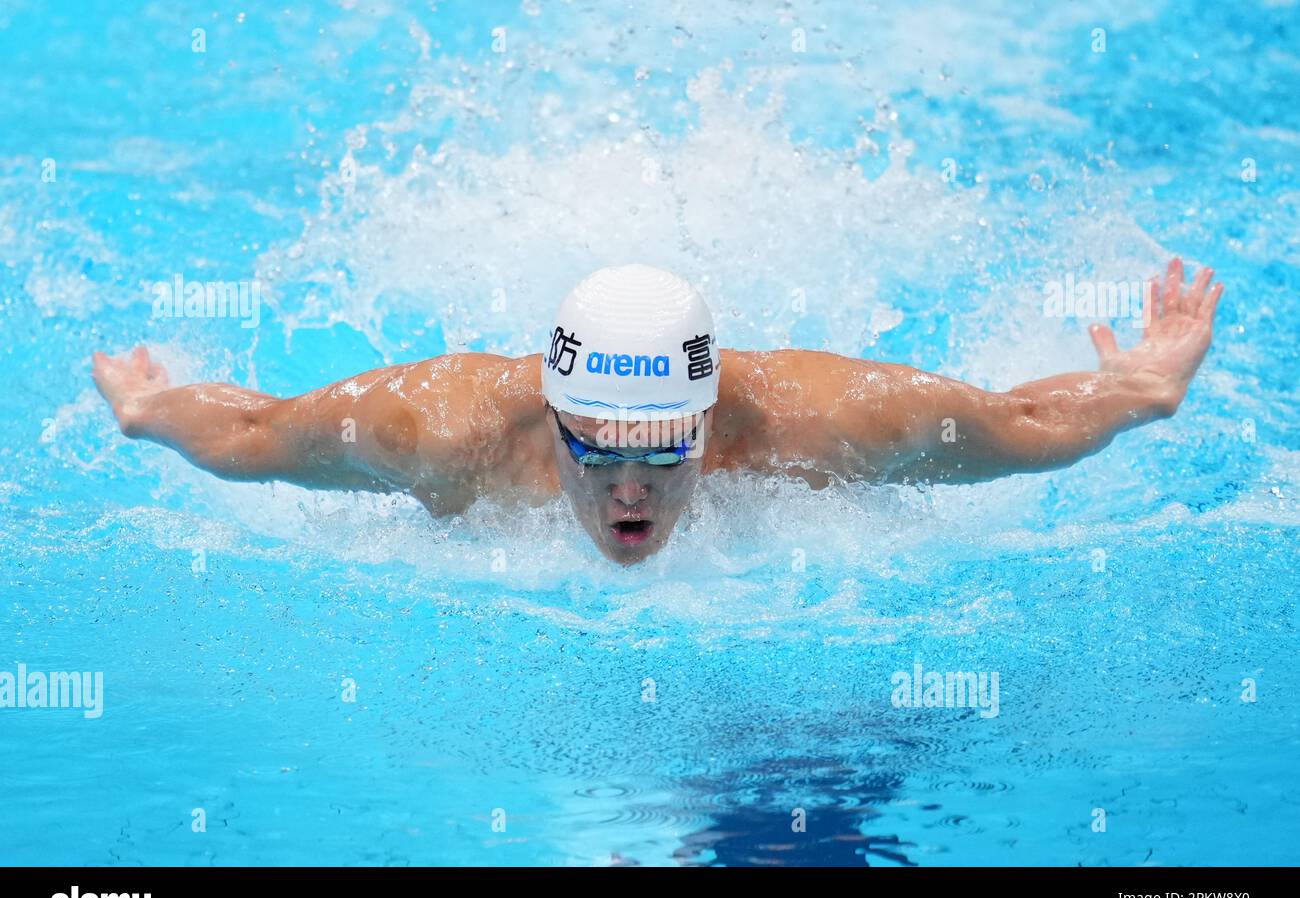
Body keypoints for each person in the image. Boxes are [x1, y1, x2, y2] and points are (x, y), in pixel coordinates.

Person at [92, 260, 1224, 565]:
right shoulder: (440, 428)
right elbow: (253, 433)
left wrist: (1142, 388)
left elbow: (1019, 424)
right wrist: (151, 407)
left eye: (664, 448)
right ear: (550, 412)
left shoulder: (815, 423)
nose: (628, 488)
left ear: (710, 411)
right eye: (596, 448)